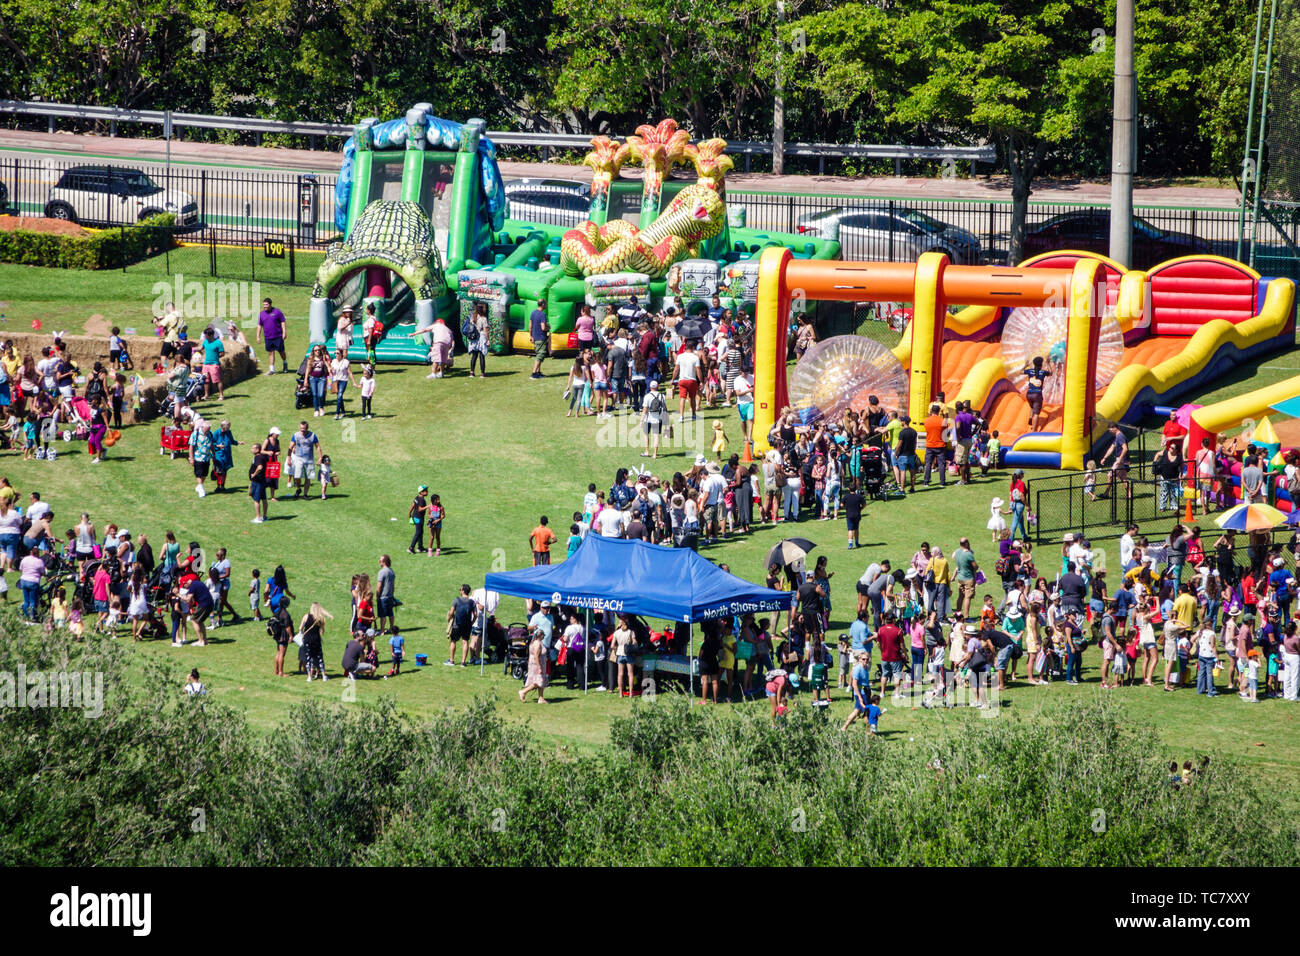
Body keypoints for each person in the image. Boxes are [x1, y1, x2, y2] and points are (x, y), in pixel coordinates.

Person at [288, 420, 320, 499]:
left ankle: (305, 494)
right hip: (299, 458)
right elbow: (290, 447)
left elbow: (317, 446)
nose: (302, 430)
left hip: (309, 460)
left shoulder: (313, 436)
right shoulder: (296, 435)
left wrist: (320, 457)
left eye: (303, 428)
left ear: (307, 428)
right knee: (297, 476)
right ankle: (299, 489)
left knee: (308, 477)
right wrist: (289, 457)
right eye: (301, 428)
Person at [256, 298, 289, 374]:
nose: (265, 306)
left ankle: (285, 363)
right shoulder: (261, 314)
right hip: (268, 337)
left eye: (266, 304)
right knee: (270, 352)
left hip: (278, 336)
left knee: (281, 351)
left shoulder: (277, 312)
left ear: (270, 304)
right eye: (264, 305)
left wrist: (284, 332)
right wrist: (258, 336)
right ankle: (272, 369)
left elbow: (283, 322)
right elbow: (259, 325)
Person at [300, 602, 332, 681]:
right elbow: (322, 630)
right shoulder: (320, 618)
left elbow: (300, 628)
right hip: (316, 639)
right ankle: (324, 676)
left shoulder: (306, 616)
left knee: (309, 658)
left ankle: (309, 677)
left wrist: (302, 632)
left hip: (307, 639)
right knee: (319, 657)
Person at [446, 584, 476, 666]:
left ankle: (451, 661)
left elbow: (451, 612)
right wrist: (472, 622)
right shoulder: (472, 602)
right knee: (465, 642)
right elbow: (475, 614)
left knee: (453, 641)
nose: (460, 590)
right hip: (467, 625)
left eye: (460, 589)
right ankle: (463, 662)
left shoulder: (457, 600)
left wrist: (449, 618)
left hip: (457, 624)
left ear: (463, 590)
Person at [640, 379, 667, 459]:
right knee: (656, 436)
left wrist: (641, 420)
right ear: (657, 386)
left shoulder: (647, 396)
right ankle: (655, 454)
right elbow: (663, 408)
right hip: (657, 418)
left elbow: (645, 409)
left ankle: (647, 451)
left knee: (646, 435)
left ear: (650, 387)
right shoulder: (662, 396)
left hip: (648, 418)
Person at [922, 403, 947, 487]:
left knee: (928, 464)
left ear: (931, 411)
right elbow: (945, 433)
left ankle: (926, 481)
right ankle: (942, 482)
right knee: (941, 464)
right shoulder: (942, 421)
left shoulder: (926, 421)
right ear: (939, 411)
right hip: (940, 445)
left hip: (930, 444)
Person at [1022, 356, 1050, 431]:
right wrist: (1048, 363)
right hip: (1037, 394)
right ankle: (1034, 431)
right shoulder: (1043, 372)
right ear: (1041, 365)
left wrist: (1026, 365)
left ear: (1034, 364)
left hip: (1029, 394)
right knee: (1037, 413)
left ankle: (1030, 417)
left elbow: (1021, 372)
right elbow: (1051, 373)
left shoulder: (1030, 371)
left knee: (1032, 406)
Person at [330, 347, 357, 419]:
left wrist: (354, 382)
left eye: (337, 353)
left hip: (343, 380)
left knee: (339, 395)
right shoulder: (333, 361)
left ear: (341, 354)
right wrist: (330, 380)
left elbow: (350, 372)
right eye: (335, 353)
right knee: (339, 397)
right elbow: (331, 373)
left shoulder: (346, 362)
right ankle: (343, 412)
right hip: (335, 380)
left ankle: (337, 414)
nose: (336, 354)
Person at [376, 554, 396, 634]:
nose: (379, 562)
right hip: (390, 595)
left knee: (383, 615)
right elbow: (393, 585)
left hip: (383, 596)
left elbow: (379, 586)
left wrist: (377, 596)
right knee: (390, 613)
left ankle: (382, 630)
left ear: (383, 562)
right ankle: (391, 628)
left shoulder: (382, 572)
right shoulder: (391, 571)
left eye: (380, 560)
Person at [529, 300, 549, 379]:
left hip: (535, 337)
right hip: (541, 337)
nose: (546, 305)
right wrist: (549, 327)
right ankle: (534, 373)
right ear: (543, 304)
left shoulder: (533, 313)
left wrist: (531, 336)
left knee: (538, 354)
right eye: (546, 304)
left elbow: (530, 326)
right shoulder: (543, 314)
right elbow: (543, 328)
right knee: (540, 355)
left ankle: (538, 372)